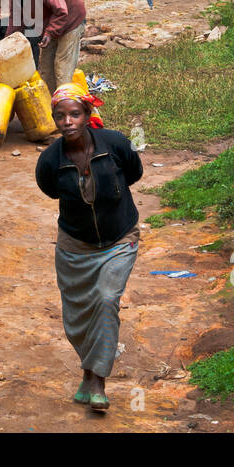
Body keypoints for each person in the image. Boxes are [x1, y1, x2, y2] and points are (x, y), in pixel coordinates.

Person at [35, 84, 142, 412]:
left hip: (119, 239)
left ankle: (98, 383)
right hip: (74, 247)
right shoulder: (49, 160)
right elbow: (50, 190)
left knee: (106, 300)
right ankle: (87, 373)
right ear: (54, 119)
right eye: (60, 116)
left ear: (87, 114)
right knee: (78, 315)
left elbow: (134, 172)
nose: (67, 122)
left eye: (74, 114)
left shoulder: (116, 144)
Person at [0, 0, 86, 92]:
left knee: (62, 69)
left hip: (70, 20)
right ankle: (49, 103)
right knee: (46, 71)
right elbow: (16, 19)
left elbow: (61, 10)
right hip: (52, 24)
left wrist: (49, 32)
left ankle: (65, 102)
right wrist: (7, 42)